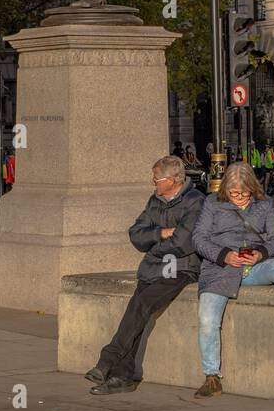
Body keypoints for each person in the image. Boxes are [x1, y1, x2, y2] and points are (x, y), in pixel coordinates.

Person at [191, 162, 274, 398]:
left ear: (252, 188)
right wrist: (225, 255)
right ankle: (212, 377)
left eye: (243, 193)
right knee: (207, 319)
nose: (239, 198)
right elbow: (199, 239)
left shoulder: (265, 204)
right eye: (233, 193)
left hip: (253, 266)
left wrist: (260, 253)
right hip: (219, 270)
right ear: (225, 190)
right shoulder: (212, 203)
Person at [85, 156, 204, 394]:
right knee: (136, 311)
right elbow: (136, 235)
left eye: (157, 179)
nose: (153, 183)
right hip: (152, 268)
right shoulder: (155, 201)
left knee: (141, 305)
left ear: (172, 180)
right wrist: (161, 233)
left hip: (180, 268)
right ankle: (121, 376)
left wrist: (154, 243)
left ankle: (109, 360)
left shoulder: (196, 202)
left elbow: (183, 243)